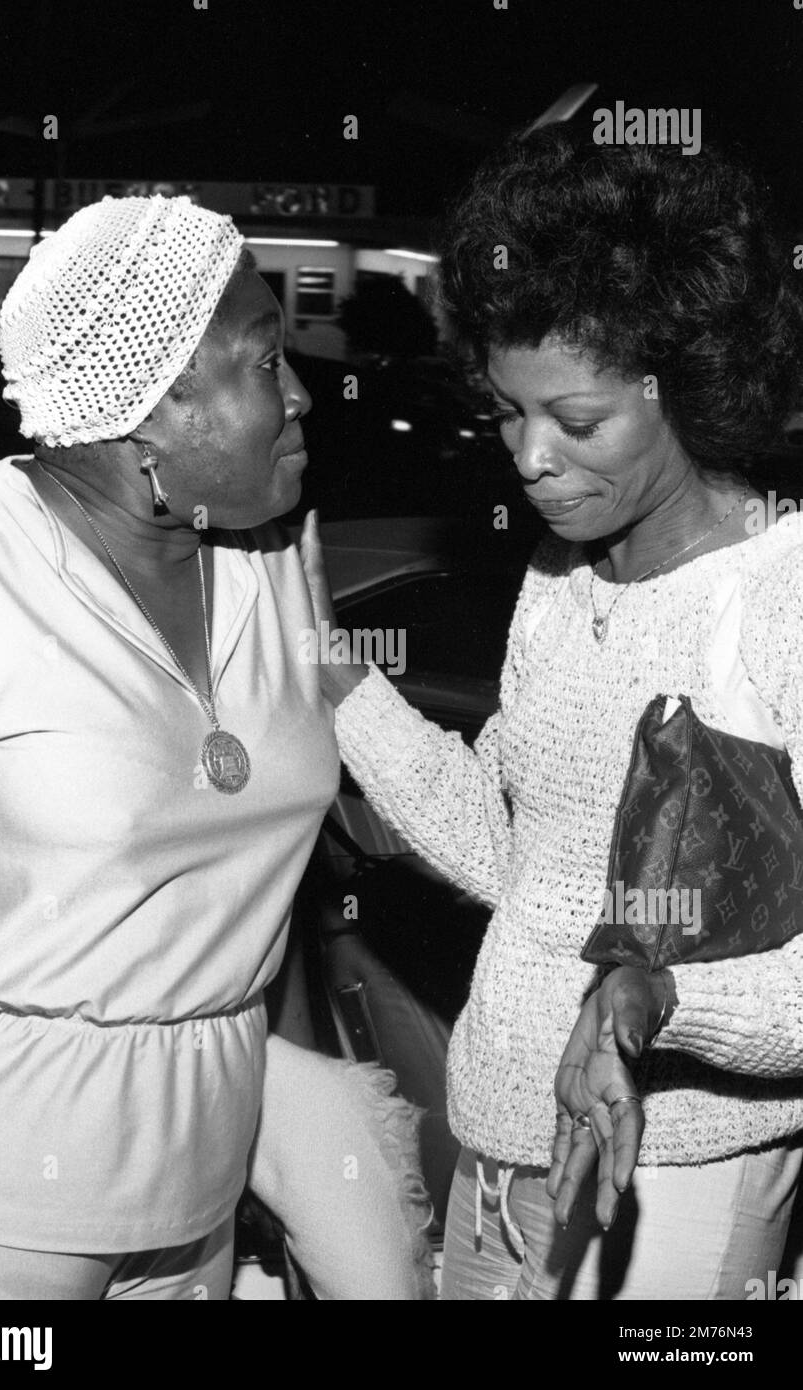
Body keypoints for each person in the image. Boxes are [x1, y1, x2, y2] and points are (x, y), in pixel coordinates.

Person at [300, 129, 803, 1299]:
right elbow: (517, 860)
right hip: (497, 1146)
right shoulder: (557, 572)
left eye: (574, 422)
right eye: (504, 412)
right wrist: (335, 678)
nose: (529, 457)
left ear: (685, 384)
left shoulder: (779, 595)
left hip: (674, 1179)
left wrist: (660, 998)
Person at [0, 194, 430, 1300]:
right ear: (148, 406)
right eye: (262, 359)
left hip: (201, 1177)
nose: (299, 395)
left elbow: (264, 884)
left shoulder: (273, 553)